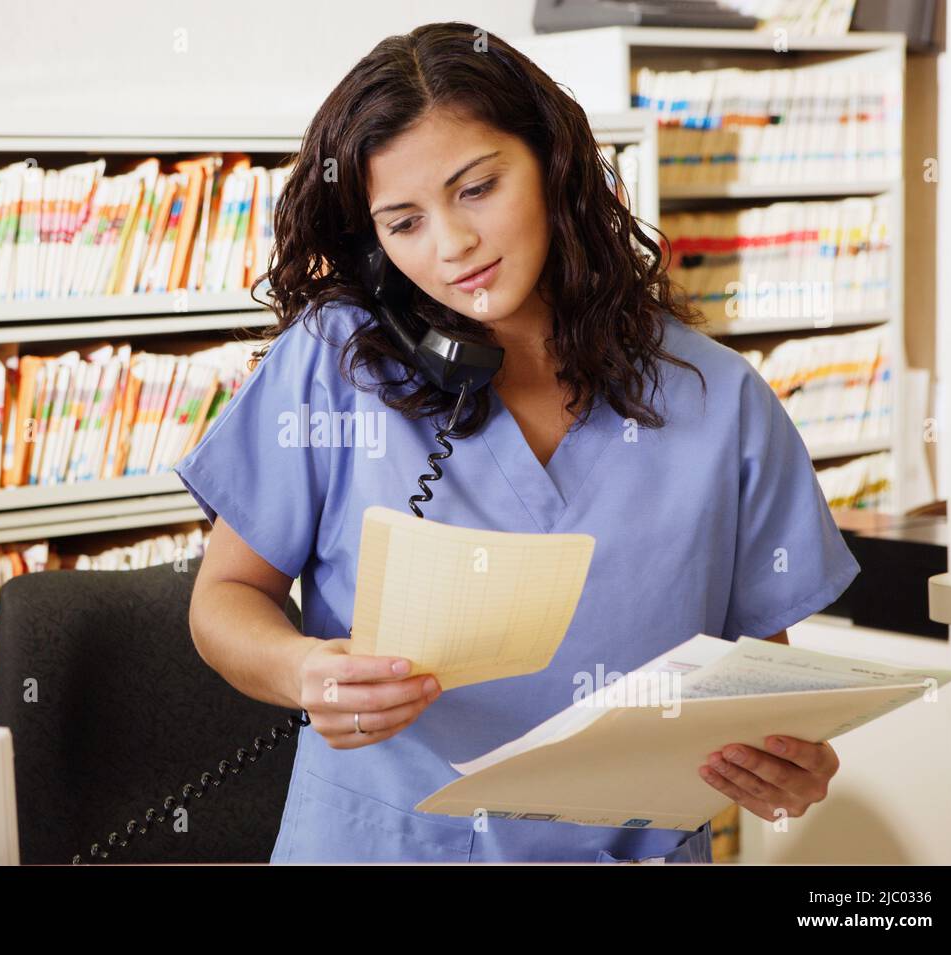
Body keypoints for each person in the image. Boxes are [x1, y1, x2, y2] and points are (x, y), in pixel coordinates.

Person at [173, 21, 858, 863]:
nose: (452, 246)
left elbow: (756, 690)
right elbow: (224, 600)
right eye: (404, 222)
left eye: (477, 187)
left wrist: (784, 766)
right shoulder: (333, 363)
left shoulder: (721, 398)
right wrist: (302, 669)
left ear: (552, 166)